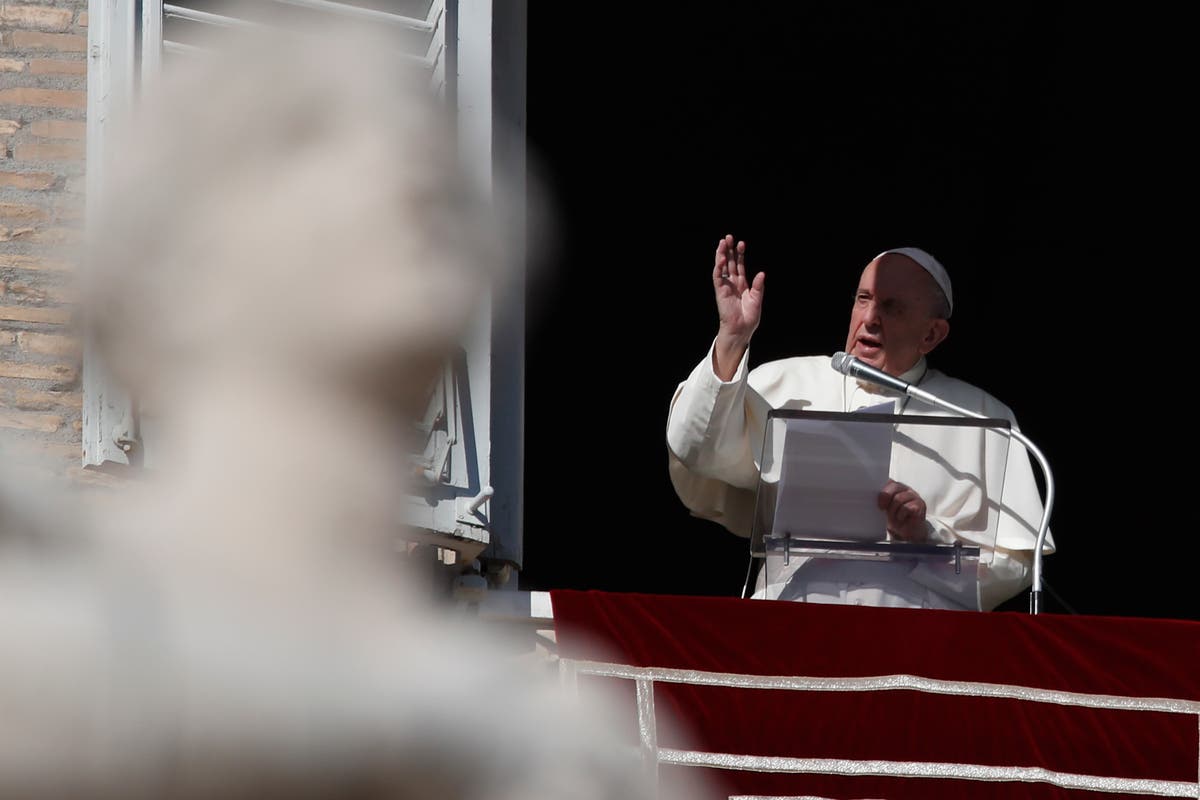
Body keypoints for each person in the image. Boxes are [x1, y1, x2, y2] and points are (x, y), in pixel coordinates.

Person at [666, 235, 1054, 611]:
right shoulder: (788, 384)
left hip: (917, 639)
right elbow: (696, 448)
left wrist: (925, 537)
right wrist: (733, 338)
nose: (870, 319)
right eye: (863, 300)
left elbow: (1015, 562)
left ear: (932, 334)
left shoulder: (981, 416)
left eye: (892, 307)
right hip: (792, 621)